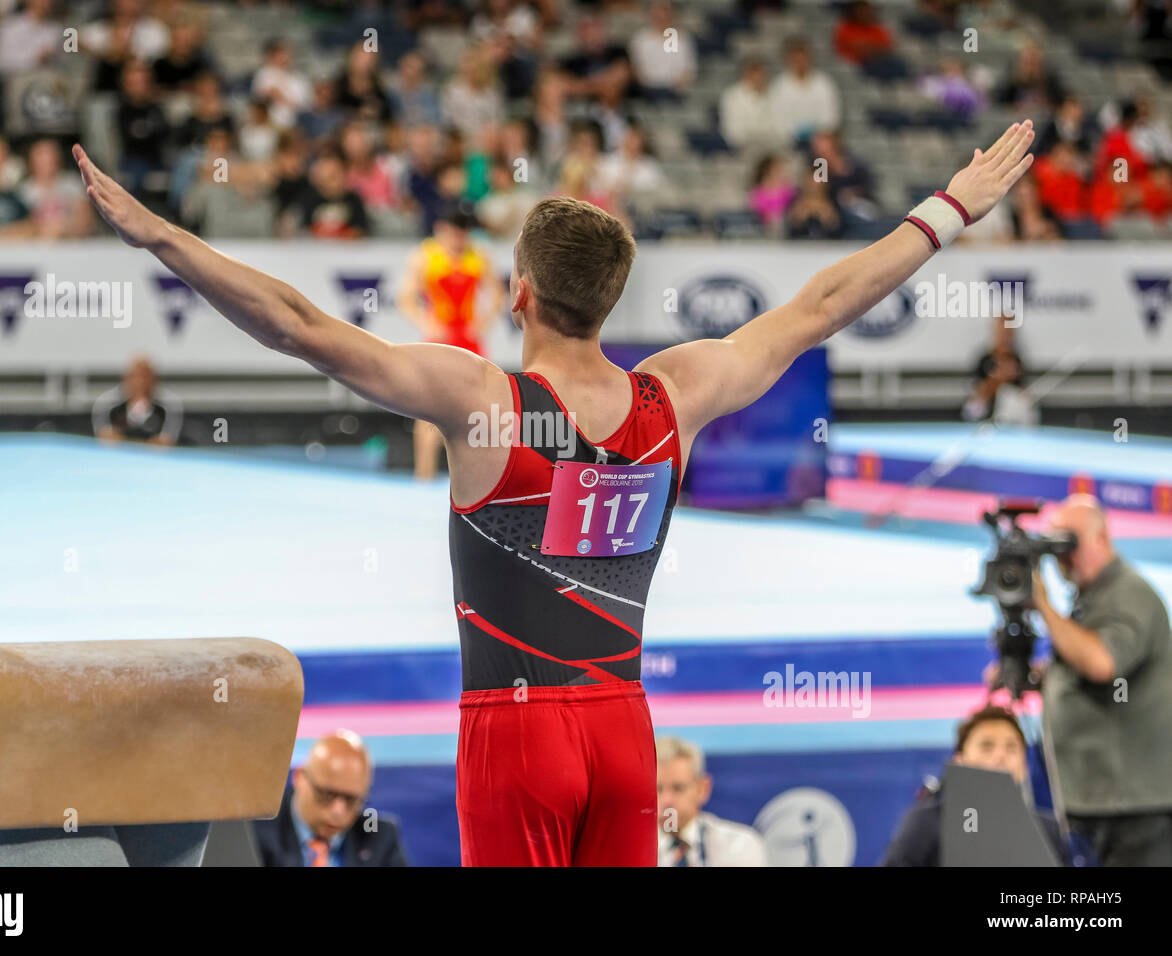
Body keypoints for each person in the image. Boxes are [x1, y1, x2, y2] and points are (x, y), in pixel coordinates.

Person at [73, 117, 1038, 866]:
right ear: (610, 298)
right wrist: (948, 207)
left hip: (517, 729)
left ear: (520, 292)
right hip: (625, 728)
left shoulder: (482, 400)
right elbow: (822, 306)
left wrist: (162, 235)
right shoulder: (677, 395)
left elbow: (298, 326)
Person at [1031, 495, 1172, 866]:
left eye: (1071, 543)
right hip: (1108, 803)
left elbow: (1103, 662)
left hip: (1136, 809)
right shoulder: (1091, 597)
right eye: (1056, 546)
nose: (1064, 556)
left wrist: (1043, 607)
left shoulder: (1129, 592)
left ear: (1102, 539)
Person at [880, 704, 1069, 866]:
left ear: (1025, 767)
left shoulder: (1047, 830)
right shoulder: (928, 821)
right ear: (959, 760)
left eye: (1012, 748)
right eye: (987, 746)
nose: (1000, 756)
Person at [397, 201, 505, 481]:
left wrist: (484, 322)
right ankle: (424, 478)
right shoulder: (425, 256)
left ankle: (480, 480)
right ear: (442, 229)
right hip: (439, 341)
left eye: (465, 231)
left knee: (479, 411)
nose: (460, 237)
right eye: (456, 231)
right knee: (428, 409)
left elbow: (497, 293)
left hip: (470, 341)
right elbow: (405, 298)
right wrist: (426, 322)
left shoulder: (478, 256)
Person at [254, 732, 409, 867]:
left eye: (352, 800)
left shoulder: (379, 836)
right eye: (326, 794)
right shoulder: (254, 832)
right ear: (299, 777)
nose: (338, 811)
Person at [656, 736, 768, 866]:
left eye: (678, 788)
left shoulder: (740, 846)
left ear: (702, 789)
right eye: (657, 789)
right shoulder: (630, 849)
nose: (667, 800)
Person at [92, 355, 183, 445]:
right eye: (135, 376)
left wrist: (125, 442)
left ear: (155, 379)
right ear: (126, 378)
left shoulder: (169, 406)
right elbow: (107, 440)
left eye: (145, 376)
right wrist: (144, 444)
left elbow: (164, 444)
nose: (140, 382)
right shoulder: (107, 404)